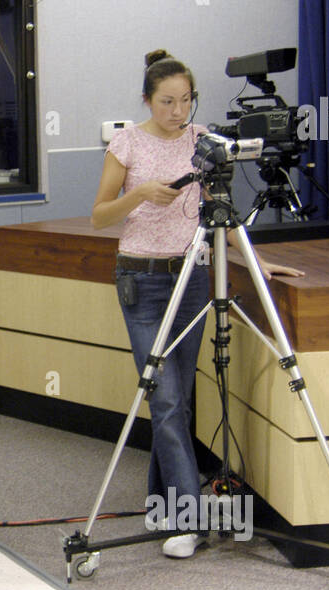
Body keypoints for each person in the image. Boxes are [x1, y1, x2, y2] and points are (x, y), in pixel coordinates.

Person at [91, 50, 302, 558]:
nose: (177, 110)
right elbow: (100, 215)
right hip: (141, 280)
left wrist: (257, 264)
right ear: (147, 99)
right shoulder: (126, 142)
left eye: (185, 100)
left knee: (178, 401)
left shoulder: (203, 142)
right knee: (162, 398)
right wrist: (139, 193)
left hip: (193, 276)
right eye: (166, 101)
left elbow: (219, 216)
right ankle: (188, 519)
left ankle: (161, 502)